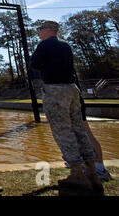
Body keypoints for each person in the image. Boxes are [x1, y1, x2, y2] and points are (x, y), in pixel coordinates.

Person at [30, 20, 103, 193]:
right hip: (72, 90)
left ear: (49, 30)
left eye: (40, 29)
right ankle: (92, 171)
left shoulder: (44, 45)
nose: (38, 32)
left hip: (55, 90)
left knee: (63, 130)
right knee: (79, 129)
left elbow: (34, 65)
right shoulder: (66, 45)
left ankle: (76, 173)